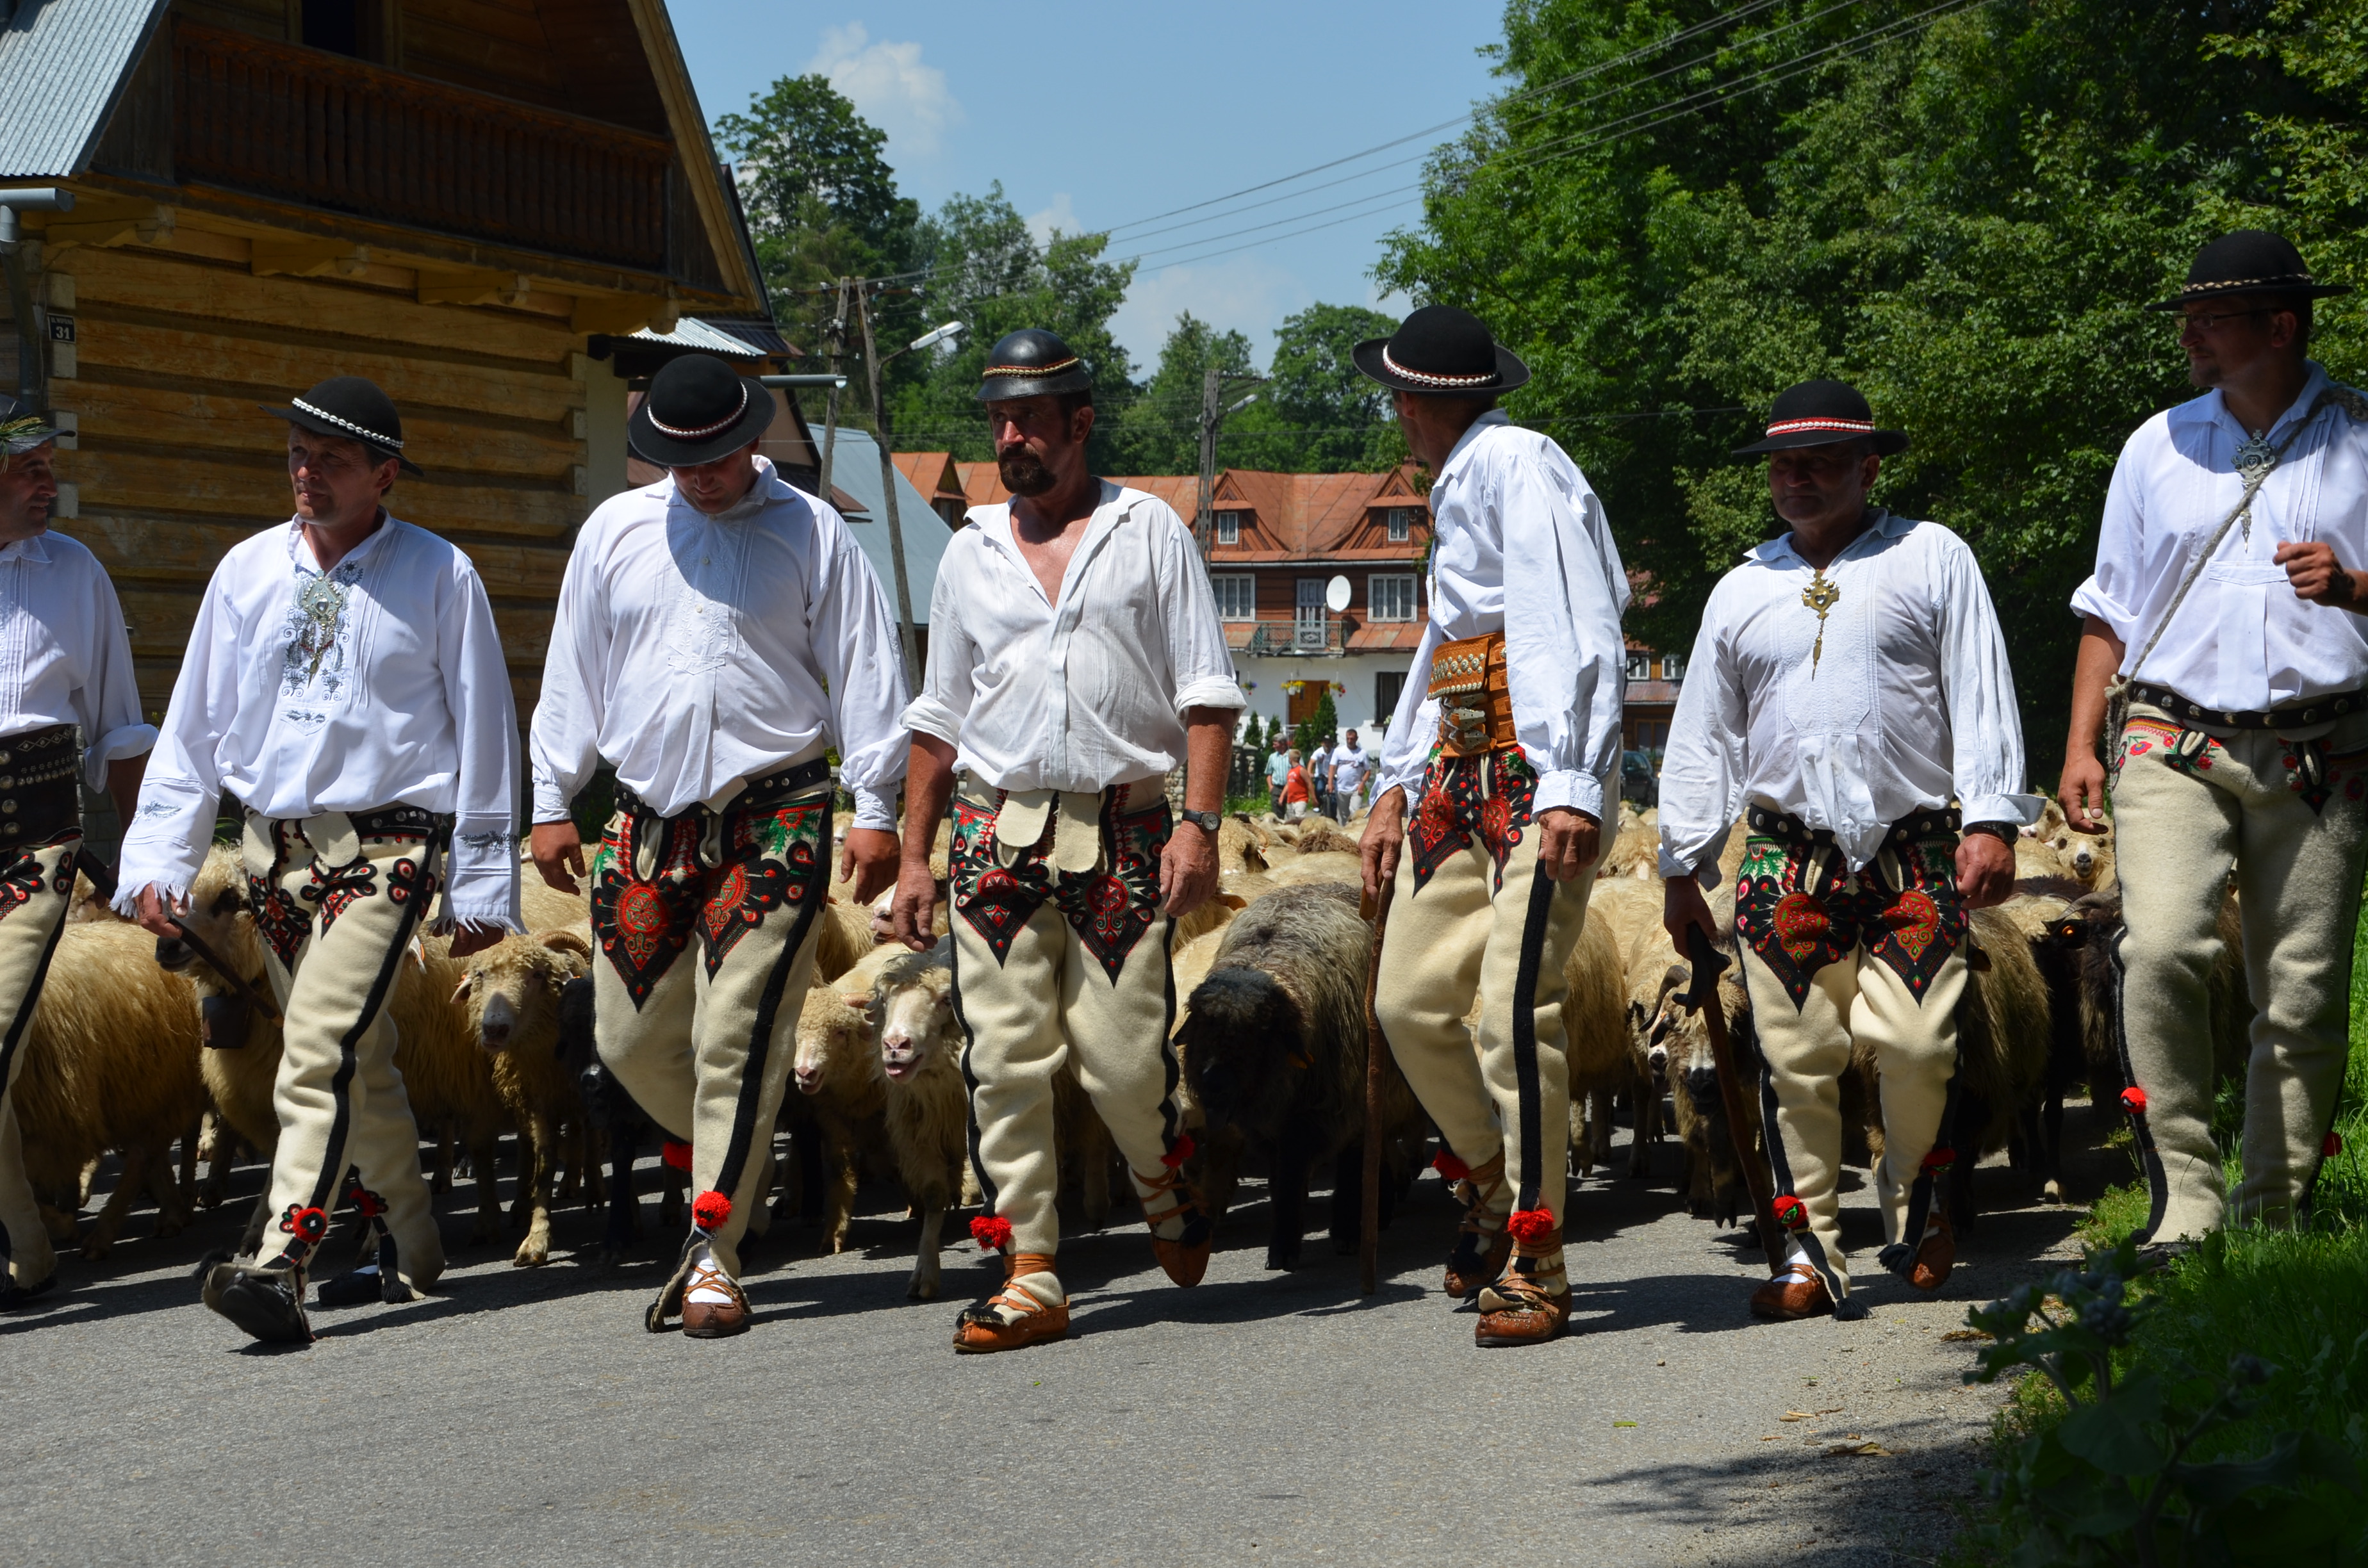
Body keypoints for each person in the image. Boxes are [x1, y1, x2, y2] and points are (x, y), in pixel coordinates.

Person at [119, 377, 518, 1344]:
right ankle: (414, 1248)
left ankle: (282, 1260)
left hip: (387, 852)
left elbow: (486, 724)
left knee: (318, 1045)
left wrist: (480, 877)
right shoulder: (246, 570)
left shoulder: (439, 572)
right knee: (360, 1062)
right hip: (271, 859)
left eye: (332, 459)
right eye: (299, 454)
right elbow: (195, 726)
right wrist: (159, 858)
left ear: (386, 475)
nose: (307, 472)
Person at [529, 353, 909, 1337]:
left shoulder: (813, 531)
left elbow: (866, 667)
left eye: (714, 458)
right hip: (646, 823)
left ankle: (712, 1251)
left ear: (751, 442)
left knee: (736, 1033)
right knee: (626, 1041)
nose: (696, 477)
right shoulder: (615, 531)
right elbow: (573, 668)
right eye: (677, 460)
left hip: (775, 816)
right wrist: (551, 794)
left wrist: (876, 805)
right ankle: (733, 1143)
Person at [892, 327, 1242, 1354]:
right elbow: (940, 717)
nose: (1011, 438)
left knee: (1123, 1065)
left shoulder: (1149, 531)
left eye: (1031, 420)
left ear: (1081, 422)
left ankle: (1160, 1174)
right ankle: (1031, 1270)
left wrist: (1199, 826)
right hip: (995, 835)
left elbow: (1207, 693)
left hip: (1124, 832)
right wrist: (914, 857)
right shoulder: (970, 550)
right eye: (999, 421)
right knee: (1002, 1057)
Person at [1661, 379, 2034, 1321]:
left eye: (1821, 462)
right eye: (1783, 464)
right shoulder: (1742, 588)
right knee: (1796, 1055)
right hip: (1785, 856)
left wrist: (1991, 817)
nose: (1797, 478)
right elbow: (1703, 737)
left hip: (1915, 848)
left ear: (1869, 468)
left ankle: (1910, 1202)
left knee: (1916, 1043)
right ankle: (1808, 1250)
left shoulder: (1931, 556)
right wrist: (1681, 867)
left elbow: (1981, 686)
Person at [2059, 231, 2368, 1252]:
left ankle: (2272, 1211)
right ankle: (2186, 1201)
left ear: (2279, 326)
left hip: (2324, 749)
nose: (2188, 336)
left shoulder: (2361, 434)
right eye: (2187, 318)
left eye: (2211, 319)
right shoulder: (2156, 445)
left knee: (2302, 988)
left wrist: (2355, 586)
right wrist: (2081, 745)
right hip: (2171, 735)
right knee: (2160, 949)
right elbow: (2109, 608)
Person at [1357, 306, 1627, 1347]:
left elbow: (1573, 616)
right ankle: (1487, 1178)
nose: (1393, 412)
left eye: (1397, 395)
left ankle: (1538, 1248)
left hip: (1533, 767)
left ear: (1419, 399)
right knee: (1407, 998)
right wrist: (1394, 780)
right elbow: (1445, 642)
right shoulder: (1458, 481)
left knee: (1513, 1009)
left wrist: (1571, 776)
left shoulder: (1519, 461)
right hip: (1458, 763)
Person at [0, 396, 154, 1310]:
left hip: (37, 853)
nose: (46, 483)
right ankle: (26, 1241)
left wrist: (145, 860)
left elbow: (120, 730)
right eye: (27, 469)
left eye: (49, 468)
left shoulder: (77, 572)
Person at [1332, 728, 1371, 817]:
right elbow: (1332, 767)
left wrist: (1362, 784)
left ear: (1356, 739)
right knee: (1344, 814)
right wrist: (1330, 783)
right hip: (1341, 788)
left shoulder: (1362, 753)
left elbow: (1368, 771)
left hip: (1356, 788)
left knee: (1356, 812)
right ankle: (1345, 826)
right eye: (1348, 739)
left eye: (1352, 739)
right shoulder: (1339, 751)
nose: (1350, 741)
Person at [1281, 749, 1311, 820]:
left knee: (1299, 819)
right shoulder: (1290, 771)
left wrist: (1314, 798)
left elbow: (1309, 783)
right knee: (1290, 820)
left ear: (1291, 759)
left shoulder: (1301, 770)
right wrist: (1282, 796)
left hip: (1301, 799)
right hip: (1291, 800)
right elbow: (1288, 785)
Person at [1309, 735, 1334, 819]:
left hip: (1332, 776)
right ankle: (1318, 804)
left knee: (1335, 794)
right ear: (1322, 743)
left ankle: (1334, 811)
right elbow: (1312, 762)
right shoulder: (1318, 752)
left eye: (1329, 742)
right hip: (1321, 776)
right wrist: (1309, 773)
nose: (1327, 744)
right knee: (1319, 788)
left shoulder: (1335, 752)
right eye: (1325, 742)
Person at [1265, 735, 1291, 814]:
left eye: (1275, 744)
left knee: (1292, 813)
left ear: (1283, 744)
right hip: (1277, 788)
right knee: (1277, 814)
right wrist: (1270, 786)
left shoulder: (1292, 755)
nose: (1273, 746)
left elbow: (1300, 770)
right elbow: (1269, 773)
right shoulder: (1272, 757)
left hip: (1291, 788)